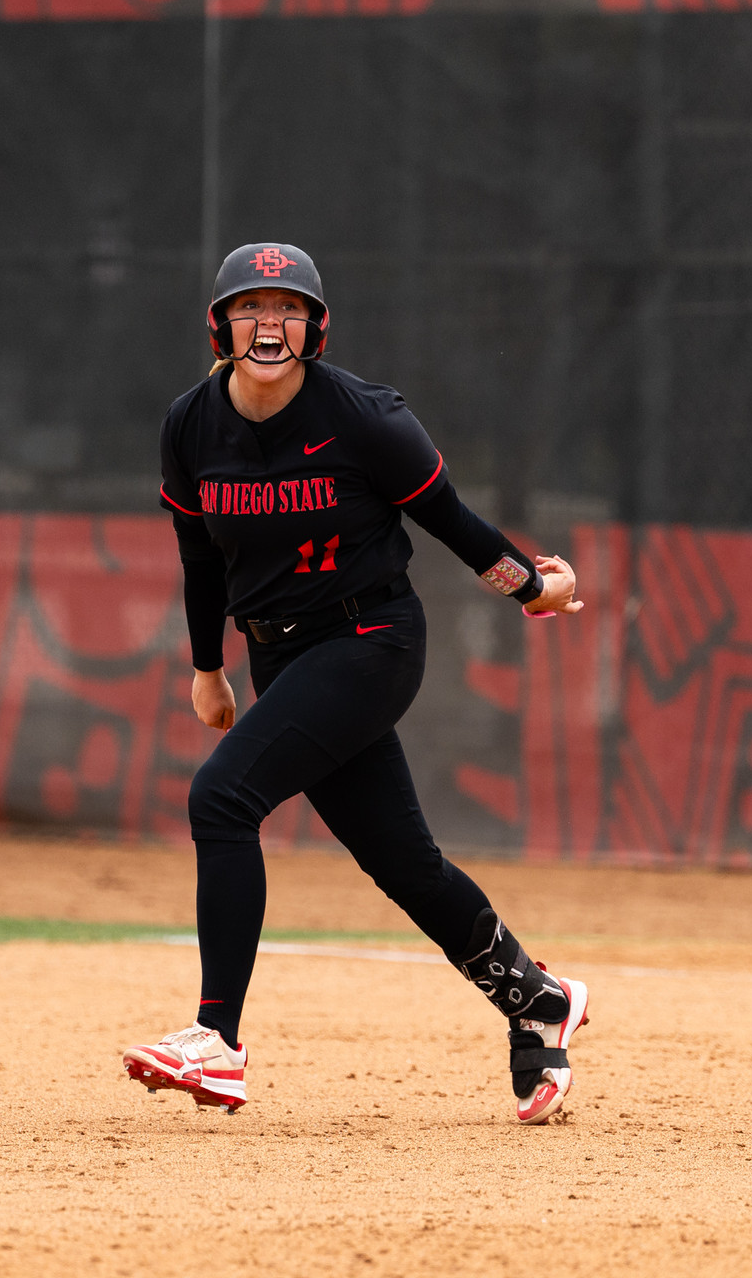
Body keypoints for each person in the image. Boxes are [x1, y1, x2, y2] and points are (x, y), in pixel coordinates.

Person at [121, 242, 590, 1127]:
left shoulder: (366, 419)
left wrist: (533, 587)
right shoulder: (190, 424)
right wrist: (208, 667)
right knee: (401, 862)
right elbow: (197, 556)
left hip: (370, 638)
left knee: (222, 801)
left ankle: (216, 1041)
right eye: (252, 307)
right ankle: (539, 1001)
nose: (271, 324)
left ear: (316, 328)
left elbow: (451, 520)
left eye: (290, 308)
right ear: (221, 325)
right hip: (279, 655)